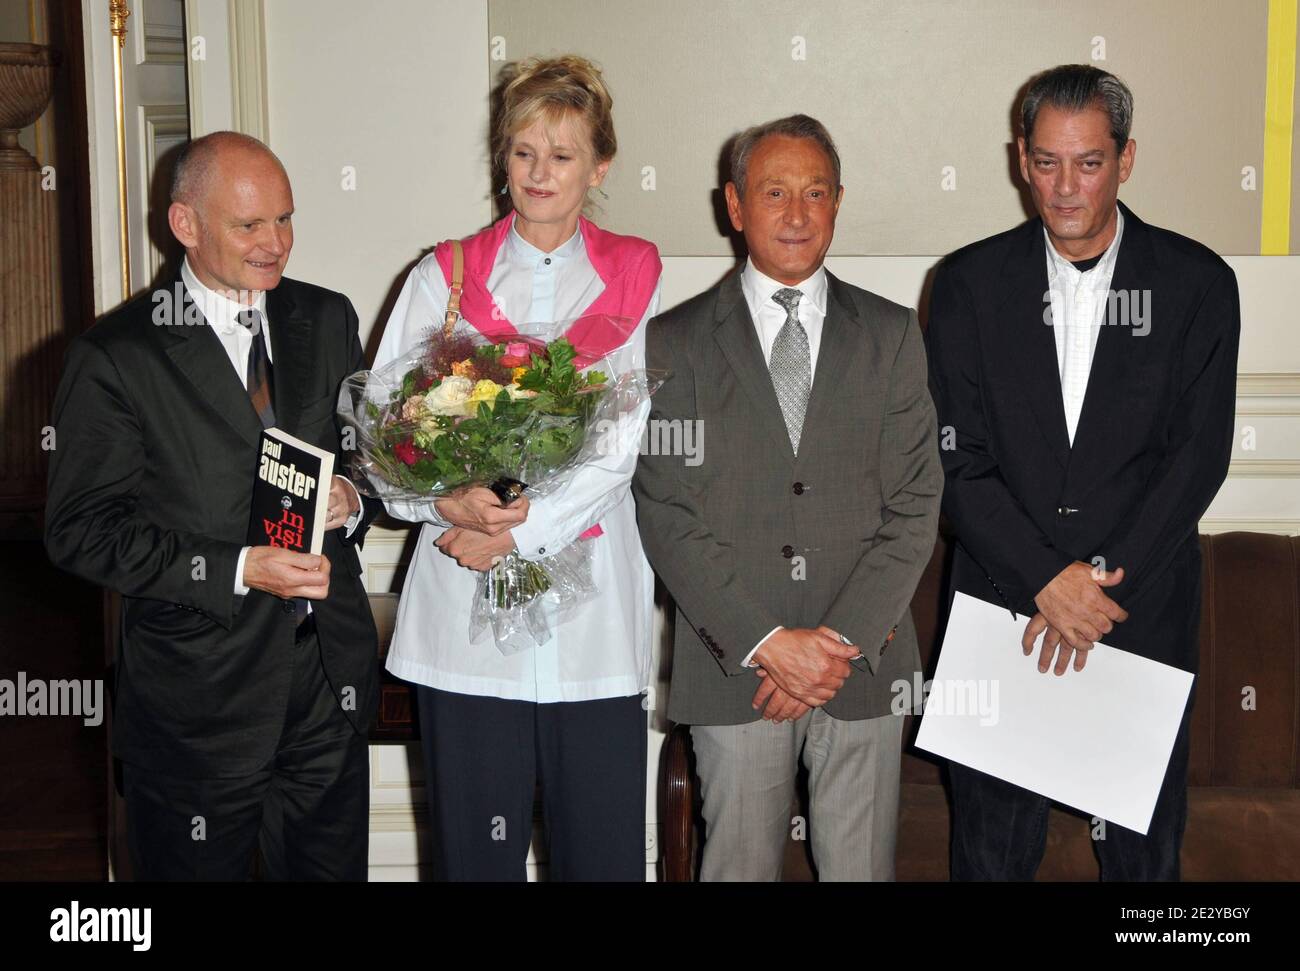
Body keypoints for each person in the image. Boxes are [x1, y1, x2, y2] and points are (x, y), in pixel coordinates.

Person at [926, 64, 1240, 880]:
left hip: (1138, 618)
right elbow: (955, 456)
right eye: (1046, 162)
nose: (1065, 187)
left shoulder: (1199, 284)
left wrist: (1092, 590)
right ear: (1018, 158)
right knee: (990, 860)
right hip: (1002, 614)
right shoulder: (965, 283)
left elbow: (1196, 458)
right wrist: (1044, 580)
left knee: (1143, 871)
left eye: (1089, 163)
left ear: (1126, 160)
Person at [44, 131, 382, 880]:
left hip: (330, 684)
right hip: (199, 706)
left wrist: (354, 493)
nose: (277, 244)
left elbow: (375, 455)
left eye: (287, 219)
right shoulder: (118, 355)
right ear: (186, 225)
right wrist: (236, 568)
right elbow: (79, 531)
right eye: (250, 225)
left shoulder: (327, 318)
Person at [374, 55, 662, 881]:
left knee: (601, 860)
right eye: (523, 151)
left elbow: (618, 446)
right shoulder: (446, 273)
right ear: (502, 156)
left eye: (563, 155)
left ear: (599, 166)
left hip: (592, 618)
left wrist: (512, 534)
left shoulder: (632, 272)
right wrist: (448, 505)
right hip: (463, 625)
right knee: (476, 861)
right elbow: (387, 432)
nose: (540, 173)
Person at [632, 114, 942, 881]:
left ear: (839, 202)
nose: (797, 214)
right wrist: (769, 642)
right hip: (736, 670)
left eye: (815, 193)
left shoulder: (894, 334)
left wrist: (833, 645)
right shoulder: (674, 342)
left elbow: (915, 505)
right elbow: (666, 509)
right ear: (734, 206)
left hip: (862, 669)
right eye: (775, 192)